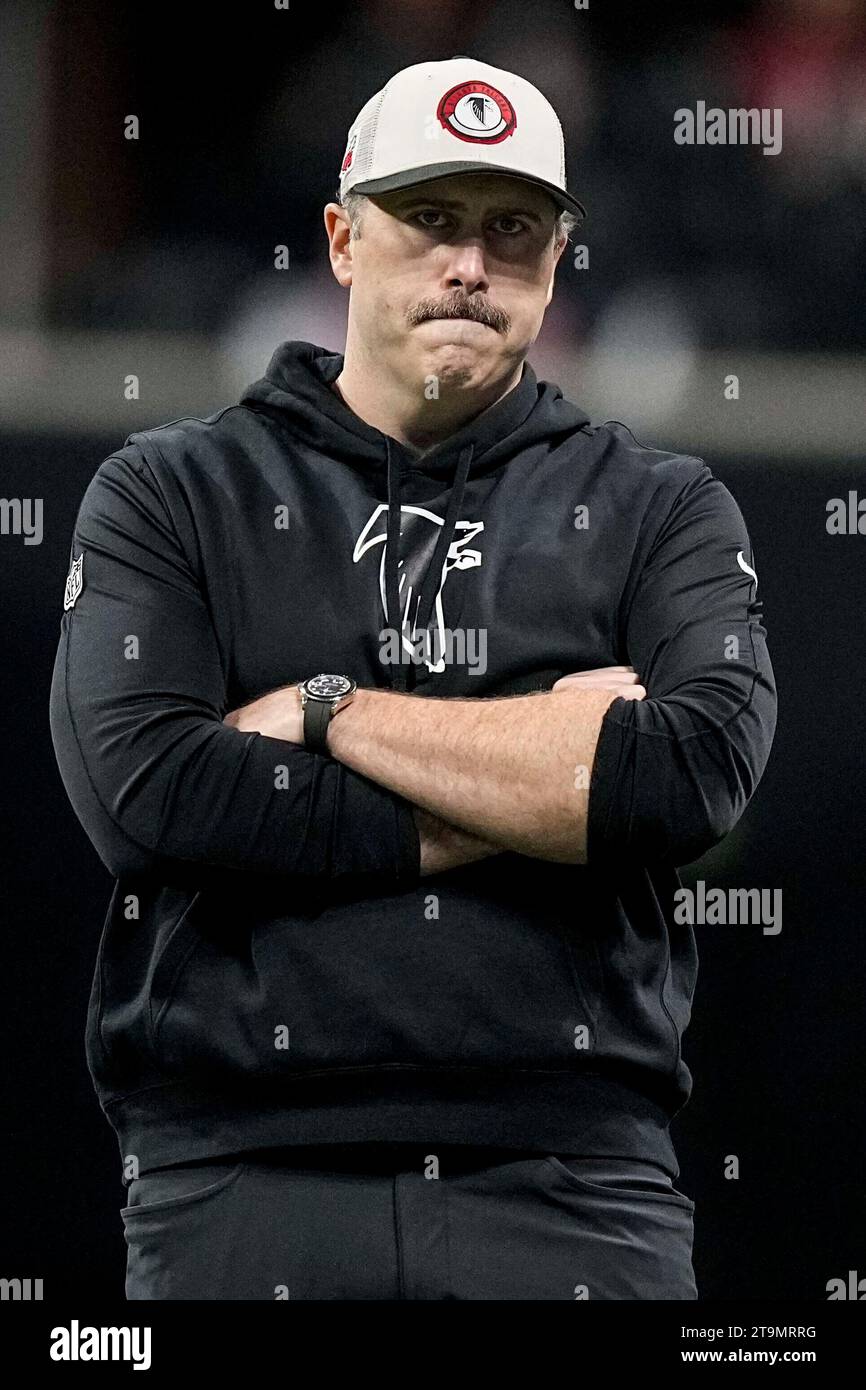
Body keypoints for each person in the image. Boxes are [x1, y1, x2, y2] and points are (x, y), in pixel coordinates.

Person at [49, 56, 776, 1300]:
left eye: (511, 230)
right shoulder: (171, 491)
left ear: (557, 259)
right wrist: (546, 784)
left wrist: (332, 715)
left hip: (576, 1183)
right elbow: (152, 794)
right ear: (340, 239)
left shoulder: (660, 508)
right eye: (429, 220)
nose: (468, 266)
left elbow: (692, 777)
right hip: (240, 1176)